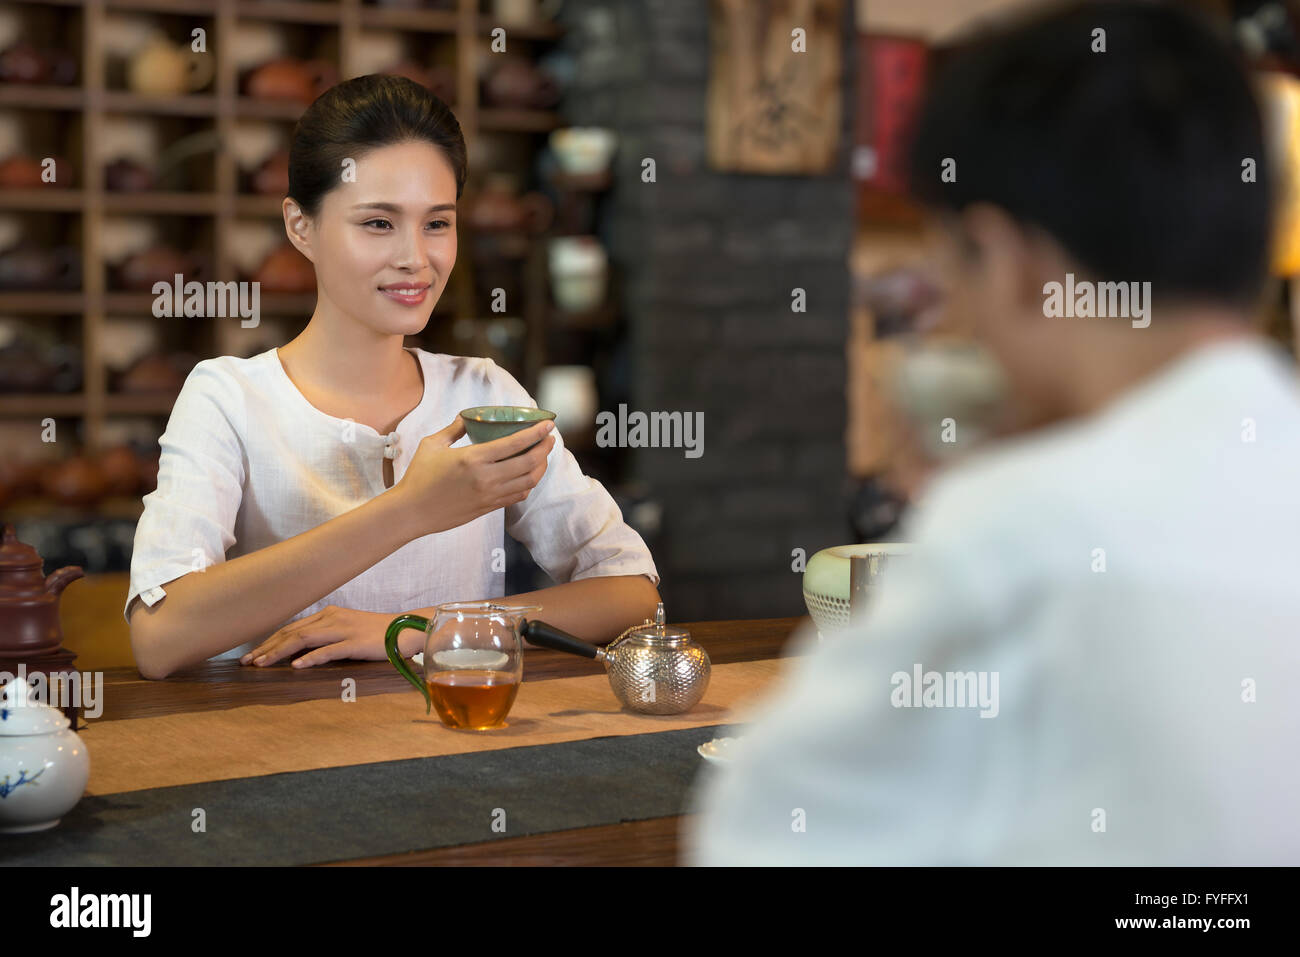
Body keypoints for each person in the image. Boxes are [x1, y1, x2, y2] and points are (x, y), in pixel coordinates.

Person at [685, 0, 1300, 864]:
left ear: (1006, 259)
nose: (959, 319)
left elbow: (762, 834)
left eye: (950, 269)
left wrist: (960, 497)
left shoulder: (1023, 524)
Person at [126, 75, 661, 679]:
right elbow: (160, 636)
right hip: (271, 749)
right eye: (378, 223)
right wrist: (409, 509)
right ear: (301, 226)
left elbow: (629, 590)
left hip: (455, 742)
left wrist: (421, 629)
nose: (416, 257)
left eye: (437, 223)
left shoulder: (483, 394)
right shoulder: (228, 397)